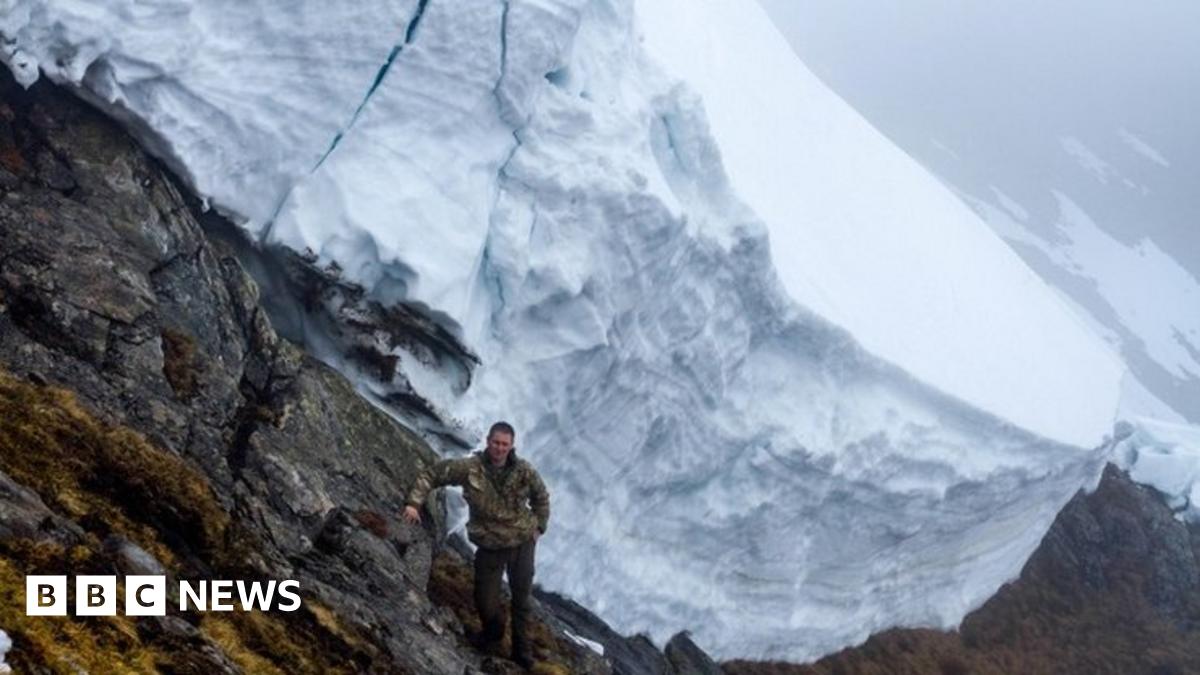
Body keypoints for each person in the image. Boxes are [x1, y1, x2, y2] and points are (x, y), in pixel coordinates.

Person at [403, 421, 550, 668]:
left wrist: (539, 527)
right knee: (484, 601)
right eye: (496, 442)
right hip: (489, 545)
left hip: (521, 543)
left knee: (521, 600)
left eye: (505, 444)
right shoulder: (469, 469)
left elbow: (541, 497)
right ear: (488, 442)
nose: (500, 448)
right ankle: (493, 633)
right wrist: (414, 502)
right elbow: (434, 474)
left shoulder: (524, 471)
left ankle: (521, 654)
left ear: (512, 445)